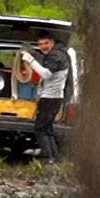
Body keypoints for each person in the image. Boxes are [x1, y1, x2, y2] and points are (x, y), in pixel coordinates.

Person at [22, 32, 72, 163]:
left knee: (40, 129)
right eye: (40, 44)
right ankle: (55, 157)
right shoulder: (62, 53)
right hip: (56, 97)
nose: (43, 47)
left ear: (52, 42)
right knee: (48, 128)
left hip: (50, 98)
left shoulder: (54, 56)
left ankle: (48, 158)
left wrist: (30, 60)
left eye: (46, 43)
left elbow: (46, 74)